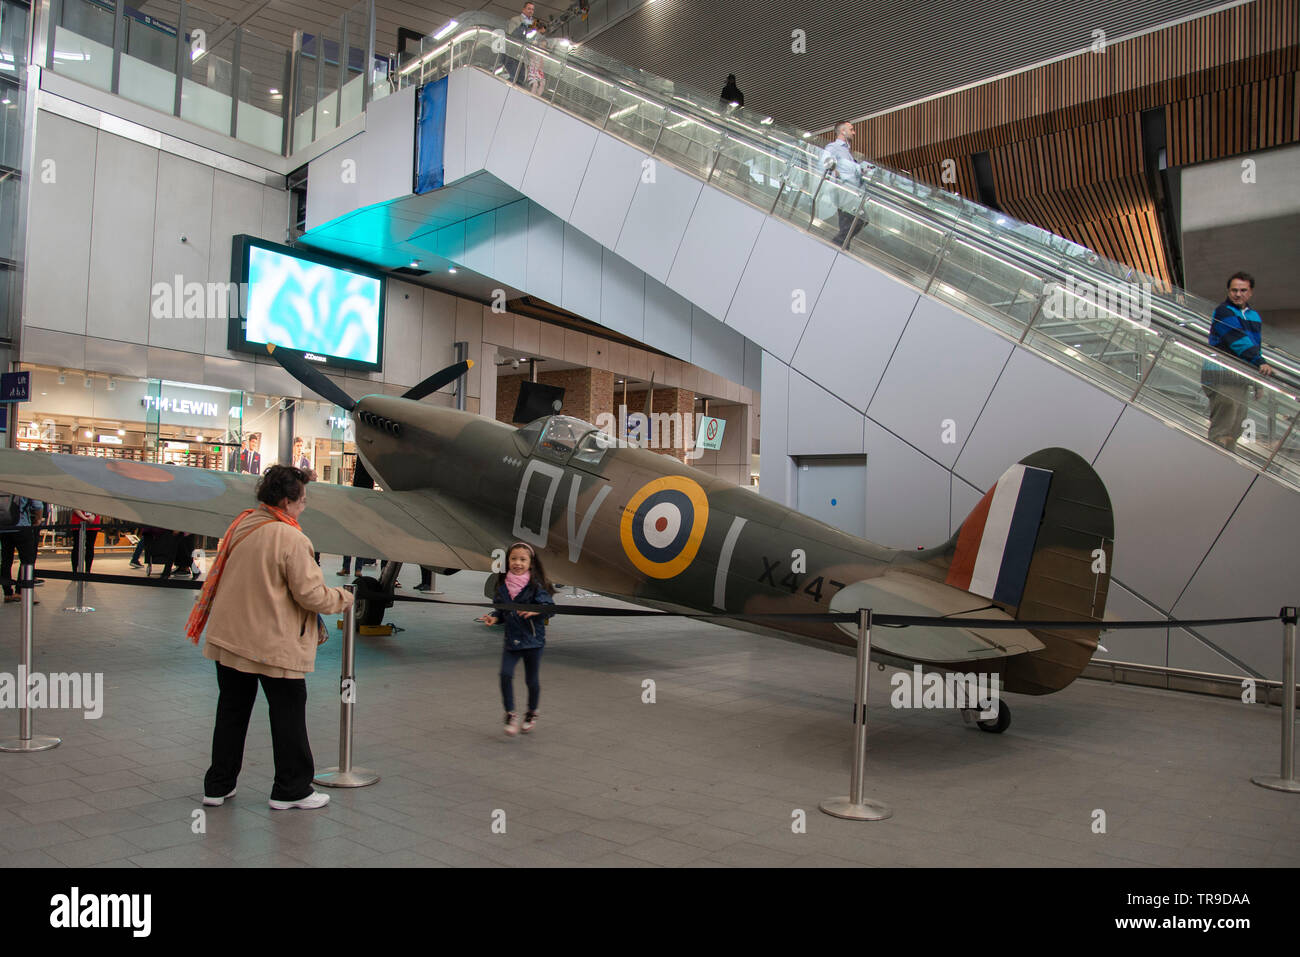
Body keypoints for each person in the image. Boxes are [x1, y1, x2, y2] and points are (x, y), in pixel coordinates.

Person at [187, 465, 353, 811]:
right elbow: (311, 595)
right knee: (288, 715)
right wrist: (344, 597)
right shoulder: (292, 538)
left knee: (231, 712)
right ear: (286, 501)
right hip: (272, 645)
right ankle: (291, 789)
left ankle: (218, 785)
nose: (304, 506)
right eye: (302, 500)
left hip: (229, 639)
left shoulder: (243, 523)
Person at [477, 542, 555, 736]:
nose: (517, 563)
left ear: (530, 563)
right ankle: (510, 713)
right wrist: (494, 618)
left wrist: (535, 611)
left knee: (531, 681)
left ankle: (531, 712)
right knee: (505, 675)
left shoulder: (536, 587)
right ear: (507, 561)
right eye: (513, 559)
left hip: (533, 641)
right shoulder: (502, 588)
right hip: (512, 641)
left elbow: (550, 609)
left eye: (522, 559)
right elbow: (501, 612)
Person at [1201, 271, 1274, 451]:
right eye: (1234, 290)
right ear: (1228, 291)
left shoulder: (1254, 316)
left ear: (1250, 292)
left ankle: (1226, 469)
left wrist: (1257, 382)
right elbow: (1238, 342)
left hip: (1239, 377)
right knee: (1223, 428)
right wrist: (1260, 362)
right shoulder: (1223, 311)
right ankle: (1214, 466)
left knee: (1236, 426)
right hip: (1221, 375)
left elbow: (1254, 346)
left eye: (1243, 290)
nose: (1238, 294)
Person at [821, 120, 871, 247]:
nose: (854, 132)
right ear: (843, 131)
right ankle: (836, 245)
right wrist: (835, 173)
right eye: (851, 129)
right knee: (860, 220)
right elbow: (825, 162)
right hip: (844, 193)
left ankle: (841, 245)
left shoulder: (847, 152)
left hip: (851, 194)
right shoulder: (834, 147)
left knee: (853, 223)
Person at [2, 495, 44, 605]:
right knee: (27, 560)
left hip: (4, 528)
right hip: (22, 526)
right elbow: (37, 505)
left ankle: (7, 593)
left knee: (6, 560)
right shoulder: (23, 487)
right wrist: (38, 519)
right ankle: (20, 592)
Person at [69, 508, 100, 575]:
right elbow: (74, 505)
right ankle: (74, 571)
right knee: (77, 546)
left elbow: (99, 505)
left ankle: (88, 571)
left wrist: (93, 515)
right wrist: (85, 518)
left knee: (90, 546)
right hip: (78, 520)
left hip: (93, 520)